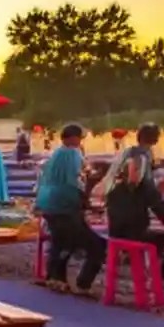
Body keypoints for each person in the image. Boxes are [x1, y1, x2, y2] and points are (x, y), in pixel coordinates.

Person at [103, 123, 164, 278]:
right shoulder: (142, 159)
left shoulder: (125, 155)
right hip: (132, 229)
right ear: (155, 140)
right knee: (162, 238)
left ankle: (139, 264)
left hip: (115, 226)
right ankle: (155, 272)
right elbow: (152, 195)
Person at [35, 123, 105, 294]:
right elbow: (77, 181)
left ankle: (55, 278)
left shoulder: (55, 155)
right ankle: (83, 284)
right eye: (80, 138)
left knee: (61, 242)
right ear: (74, 138)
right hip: (65, 206)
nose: (81, 142)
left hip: (48, 205)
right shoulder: (74, 154)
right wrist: (89, 196)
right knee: (97, 246)